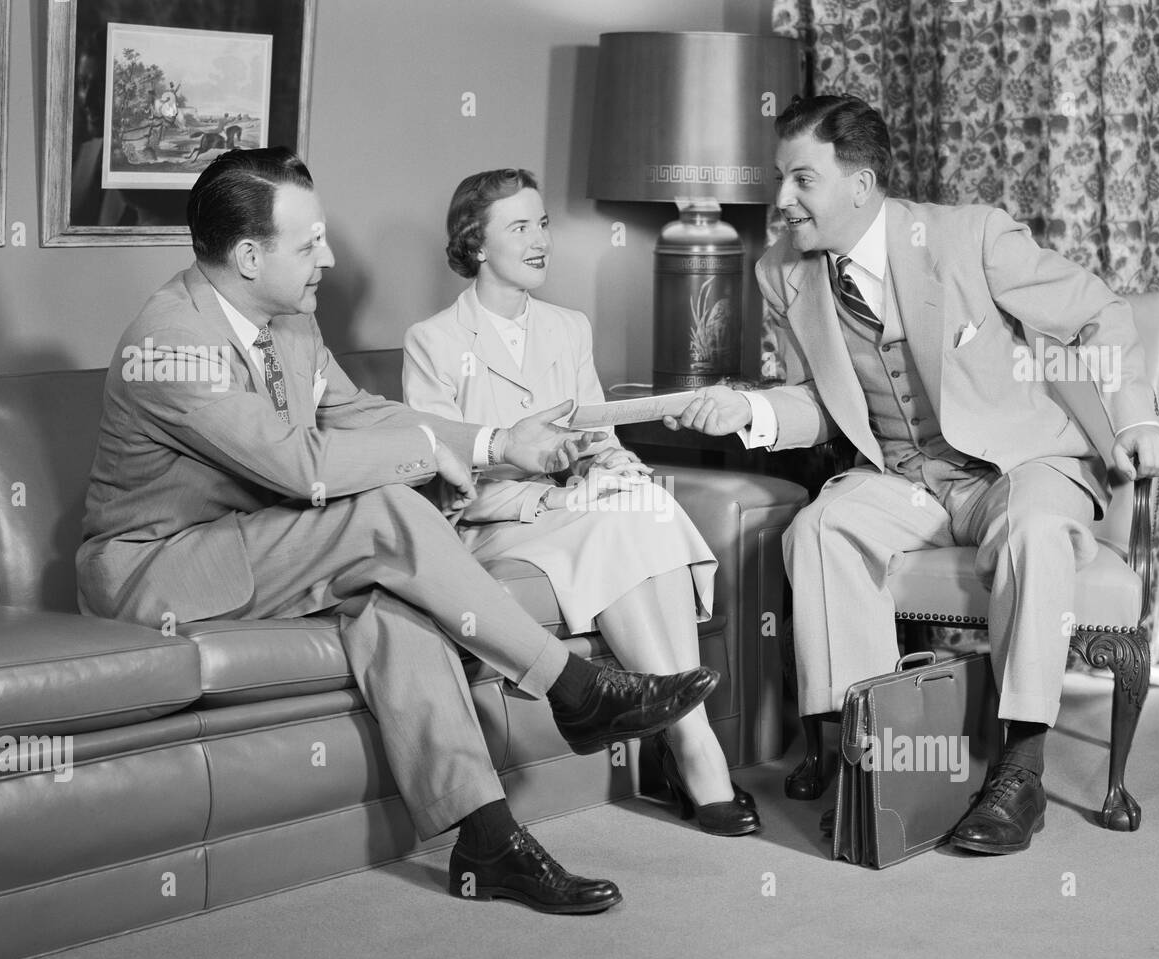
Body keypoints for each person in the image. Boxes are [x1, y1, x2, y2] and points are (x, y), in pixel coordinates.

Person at [77, 147, 722, 915]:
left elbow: (361, 415)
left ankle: (487, 838)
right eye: (310, 242)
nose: (331, 256)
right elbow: (297, 462)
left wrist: (493, 442)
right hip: (161, 568)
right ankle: (574, 686)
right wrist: (424, 456)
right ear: (249, 256)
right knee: (383, 508)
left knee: (396, 604)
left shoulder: (290, 323)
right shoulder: (170, 343)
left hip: (263, 539)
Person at [667, 95, 1159, 855]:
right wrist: (748, 415)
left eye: (802, 180)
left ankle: (1021, 766)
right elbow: (818, 402)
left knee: (1036, 531)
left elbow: (1097, 312)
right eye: (781, 178)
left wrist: (1136, 417)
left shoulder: (970, 236)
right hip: (906, 475)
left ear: (862, 184)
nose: (782, 200)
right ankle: (877, 758)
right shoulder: (782, 273)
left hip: (1018, 464)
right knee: (821, 529)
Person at [402, 169, 759, 836]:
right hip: (499, 521)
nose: (540, 239)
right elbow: (439, 472)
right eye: (519, 227)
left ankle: (682, 734)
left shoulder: (569, 327)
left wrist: (613, 463)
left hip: (575, 505)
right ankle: (695, 748)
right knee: (613, 520)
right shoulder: (435, 341)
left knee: (640, 506)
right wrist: (529, 476)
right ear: (476, 243)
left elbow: (597, 434)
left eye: (543, 223)